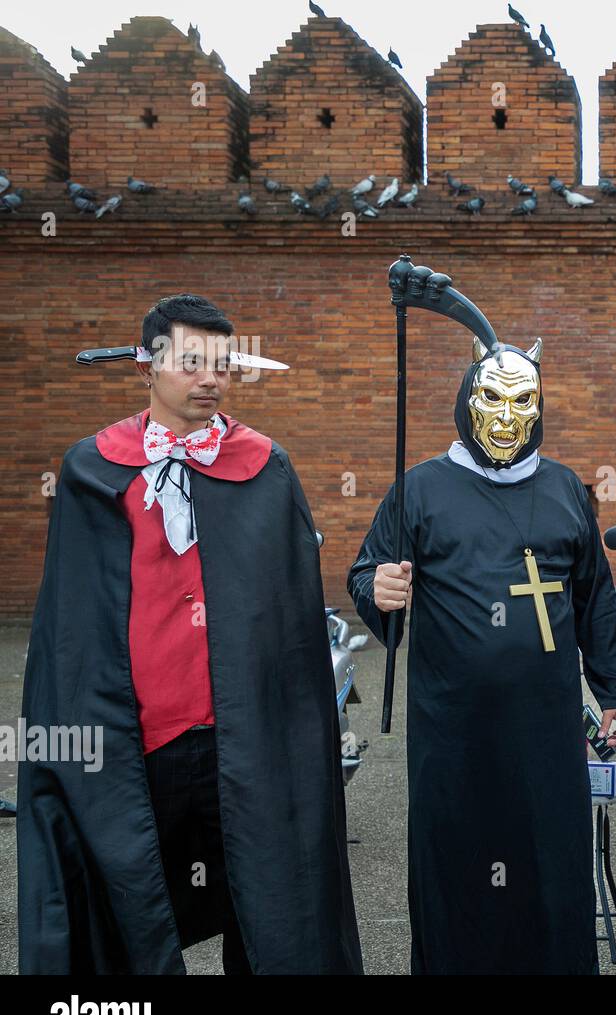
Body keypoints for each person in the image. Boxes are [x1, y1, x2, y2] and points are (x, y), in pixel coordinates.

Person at [19, 294, 363, 974]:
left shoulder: (266, 468)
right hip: (137, 748)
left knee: (268, 912)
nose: (210, 378)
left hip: (247, 748)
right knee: (126, 914)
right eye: (192, 362)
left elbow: (290, 625)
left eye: (223, 365)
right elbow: (69, 629)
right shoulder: (92, 470)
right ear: (147, 363)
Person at [347, 334, 616, 975]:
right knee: (459, 871)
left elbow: (594, 598)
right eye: (493, 400)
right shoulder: (417, 490)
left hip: (546, 732)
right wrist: (380, 589)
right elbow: (366, 572)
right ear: (468, 399)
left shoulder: (563, 489)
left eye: (522, 403)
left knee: (550, 872)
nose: (506, 418)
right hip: (452, 733)